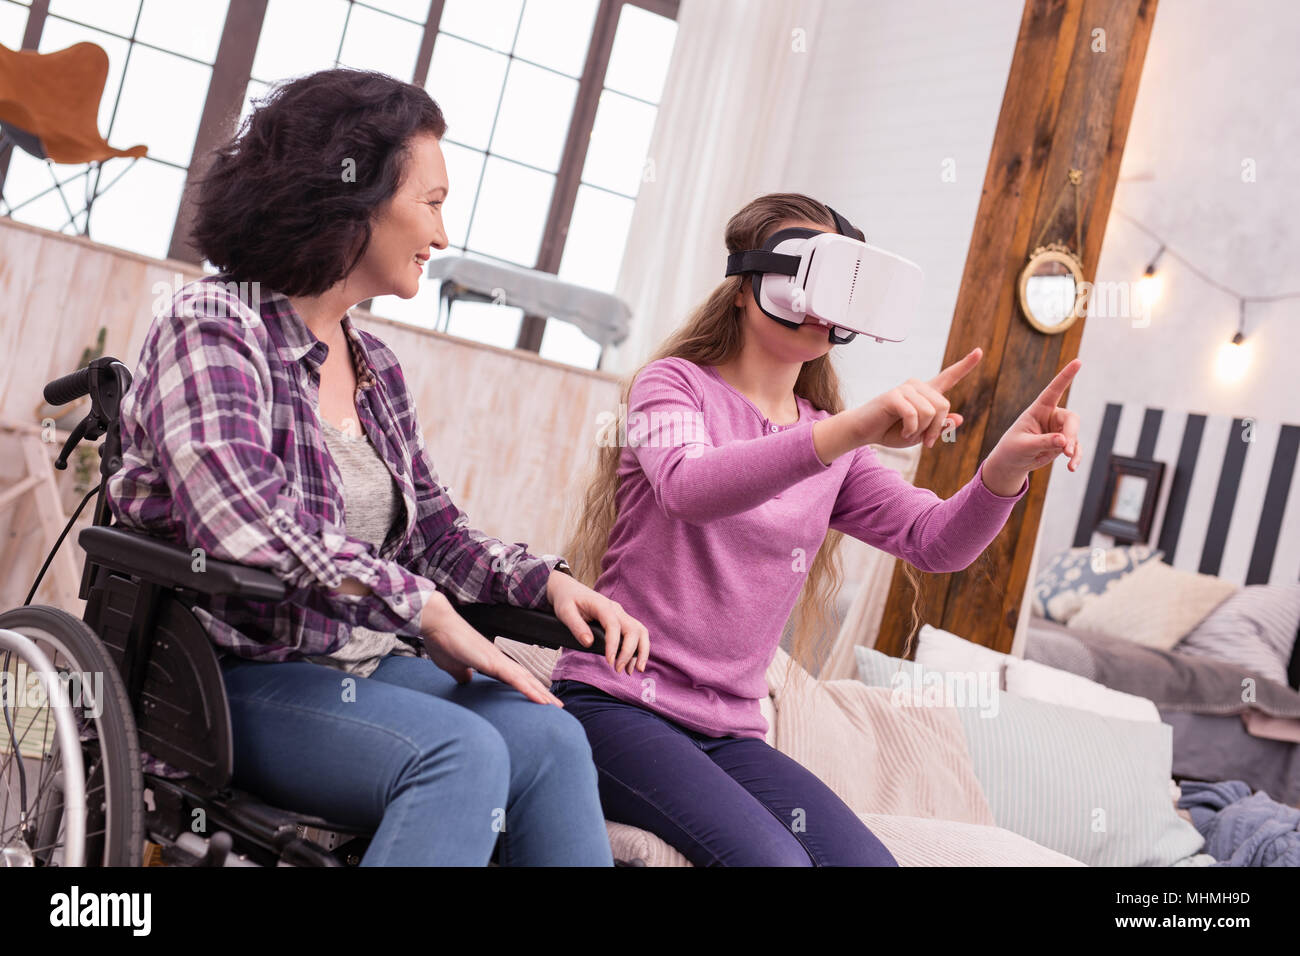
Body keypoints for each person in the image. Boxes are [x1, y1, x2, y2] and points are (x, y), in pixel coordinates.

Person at [106, 69, 650, 866]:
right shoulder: (212, 325)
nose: (443, 232)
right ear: (350, 194)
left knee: (550, 739)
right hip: (226, 671)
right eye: (431, 201)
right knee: (461, 755)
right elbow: (241, 526)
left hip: (355, 663)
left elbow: (435, 530)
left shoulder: (376, 367)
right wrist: (424, 610)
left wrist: (549, 582)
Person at [553, 192, 1083, 866]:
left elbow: (935, 541)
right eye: (802, 274)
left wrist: (1005, 468)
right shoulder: (672, 385)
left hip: (732, 734)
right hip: (615, 707)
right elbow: (690, 485)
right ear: (744, 287)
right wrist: (852, 427)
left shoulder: (831, 443)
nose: (816, 302)